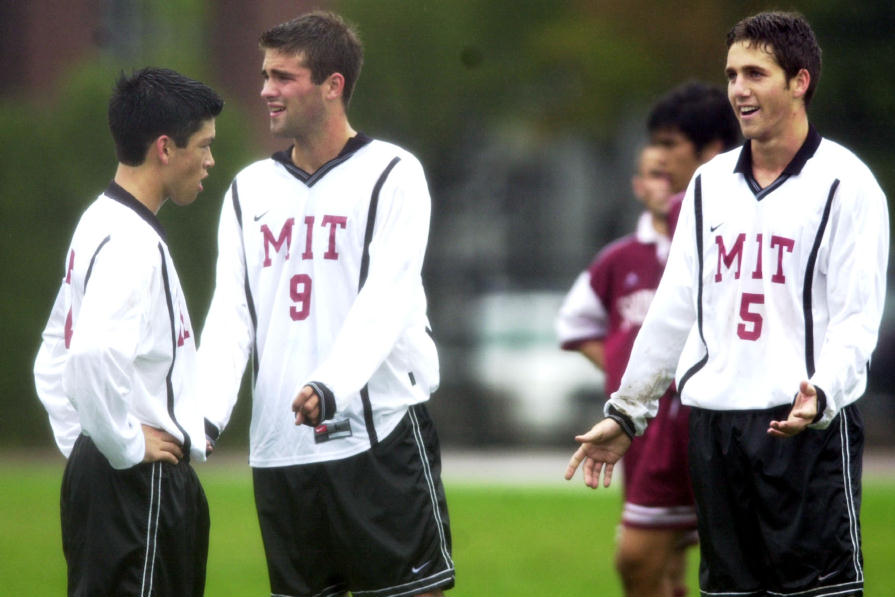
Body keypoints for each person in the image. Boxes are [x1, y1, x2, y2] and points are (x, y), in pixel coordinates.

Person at [566, 11, 888, 597]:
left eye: (756, 74)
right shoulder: (709, 183)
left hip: (804, 428)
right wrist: (627, 411)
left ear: (800, 81)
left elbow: (856, 320)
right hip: (715, 431)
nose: (739, 88)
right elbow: (673, 308)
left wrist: (823, 393)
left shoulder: (848, 184)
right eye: (732, 74)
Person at [196, 11, 454, 597]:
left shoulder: (393, 173)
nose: (267, 90)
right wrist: (206, 414)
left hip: (378, 434)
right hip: (280, 450)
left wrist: (330, 384)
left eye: (284, 77)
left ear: (333, 85)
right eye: (265, 75)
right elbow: (232, 315)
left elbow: (387, 297)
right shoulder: (247, 190)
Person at [33, 67, 223, 597]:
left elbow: (53, 354)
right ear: (165, 148)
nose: (210, 160)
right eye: (204, 145)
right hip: (140, 485)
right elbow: (88, 354)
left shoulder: (98, 221)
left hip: (113, 480)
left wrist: (88, 445)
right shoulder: (131, 243)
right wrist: (121, 445)